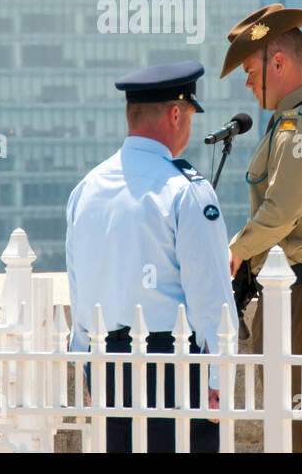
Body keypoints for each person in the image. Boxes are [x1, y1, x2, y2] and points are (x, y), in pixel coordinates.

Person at [66, 61, 236, 453]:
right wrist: (218, 381)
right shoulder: (186, 189)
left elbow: (79, 292)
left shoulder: (86, 190)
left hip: (109, 369)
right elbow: (211, 297)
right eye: (189, 116)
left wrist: (90, 371)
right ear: (176, 114)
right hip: (173, 371)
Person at [222, 4, 302, 453]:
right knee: (285, 421)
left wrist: (234, 251)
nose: (246, 81)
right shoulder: (290, 120)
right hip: (295, 290)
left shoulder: (300, 122)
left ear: (277, 62)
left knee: (300, 429)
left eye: (249, 69)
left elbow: (281, 213)